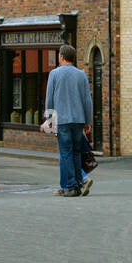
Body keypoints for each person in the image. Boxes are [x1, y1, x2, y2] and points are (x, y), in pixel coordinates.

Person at [41, 45, 92, 198]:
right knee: (76, 153)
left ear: (62, 57)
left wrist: (49, 119)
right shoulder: (81, 74)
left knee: (66, 153)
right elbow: (87, 101)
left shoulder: (54, 74)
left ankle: (71, 187)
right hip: (78, 120)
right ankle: (77, 184)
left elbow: (49, 99)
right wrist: (87, 121)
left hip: (62, 120)